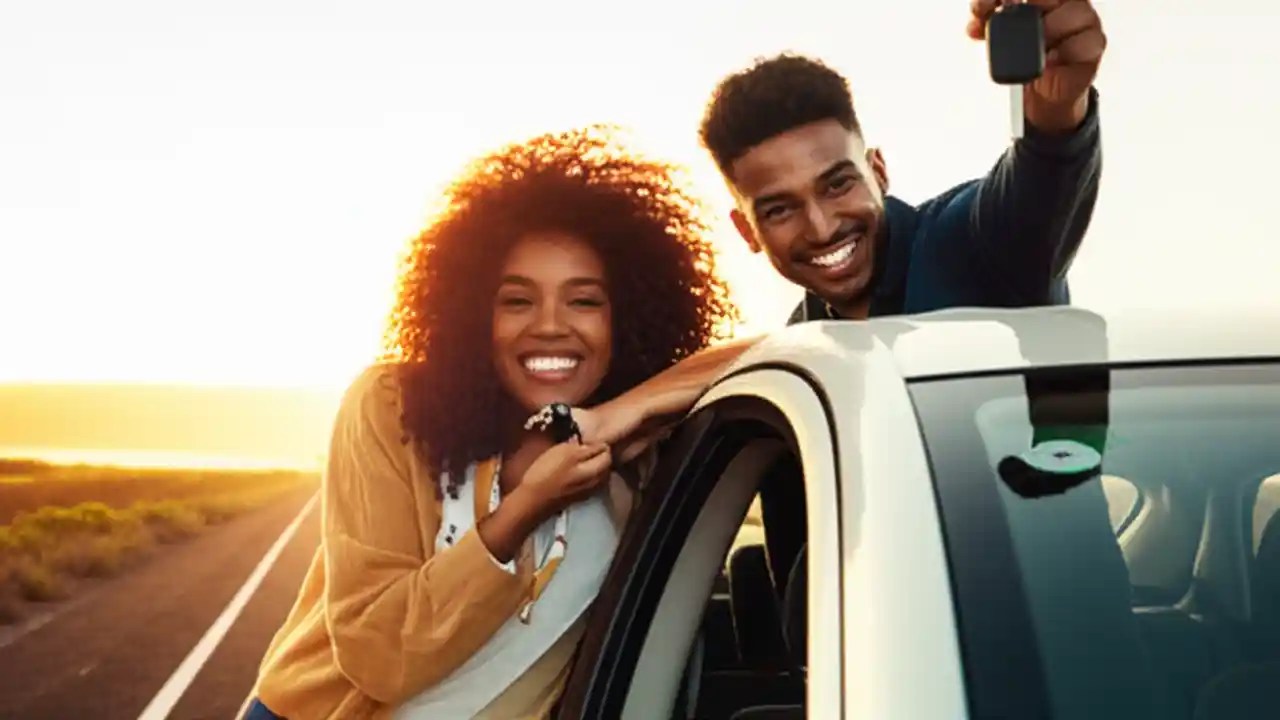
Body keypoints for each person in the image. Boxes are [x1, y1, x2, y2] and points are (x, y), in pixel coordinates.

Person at [245, 125, 749, 720]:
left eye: (584, 300)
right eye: (517, 301)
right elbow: (376, 651)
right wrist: (520, 512)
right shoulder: (390, 407)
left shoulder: (637, 450)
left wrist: (614, 416)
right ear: (472, 313)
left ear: (630, 316)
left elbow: (783, 356)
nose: (551, 325)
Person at [697, 0, 1106, 324]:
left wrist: (1058, 104)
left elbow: (1045, 171)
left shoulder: (976, 242)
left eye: (837, 184)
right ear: (746, 231)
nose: (821, 229)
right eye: (780, 209)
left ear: (878, 171)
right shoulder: (805, 341)